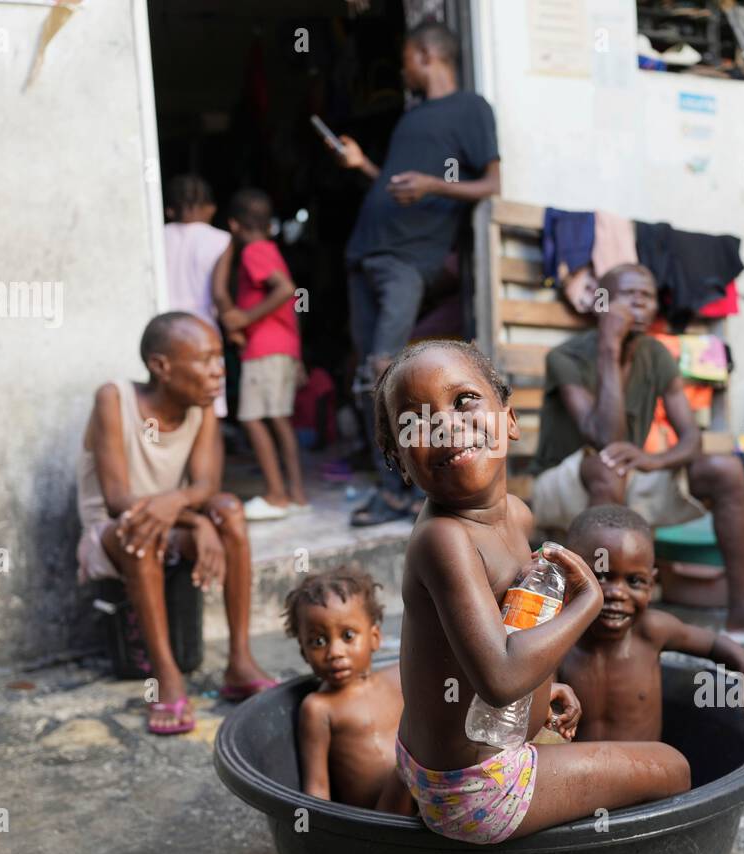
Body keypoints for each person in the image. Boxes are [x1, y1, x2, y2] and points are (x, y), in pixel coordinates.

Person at [373, 339, 690, 845]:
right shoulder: (444, 539)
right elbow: (499, 676)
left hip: (438, 759)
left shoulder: (518, 516)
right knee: (671, 767)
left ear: (511, 421)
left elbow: (515, 624)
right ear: (400, 463)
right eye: (415, 422)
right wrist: (586, 605)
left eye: (464, 401)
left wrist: (543, 693)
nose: (447, 426)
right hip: (475, 791)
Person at [531, 263, 744, 648]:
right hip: (561, 485)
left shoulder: (656, 354)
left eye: (647, 296)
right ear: (601, 305)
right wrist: (608, 348)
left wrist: (655, 461)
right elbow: (604, 436)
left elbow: (690, 441)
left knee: (724, 468)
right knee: (607, 465)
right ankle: (594, 623)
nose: (640, 304)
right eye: (628, 295)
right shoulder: (566, 356)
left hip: (627, 476)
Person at [330, 21, 501, 527]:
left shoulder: (470, 108)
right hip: (367, 252)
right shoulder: (413, 117)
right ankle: (395, 486)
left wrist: (434, 184)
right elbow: (393, 183)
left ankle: (405, 491)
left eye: (406, 57)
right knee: (369, 372)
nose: (402, 68)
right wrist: (363, 165)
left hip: (408, 260)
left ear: (425, 54)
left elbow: (492, 182)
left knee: (386, 369)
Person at [76, 313, 276, 734]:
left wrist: (189, 514)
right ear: (161, 366)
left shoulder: (202, 407)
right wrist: (190, 519)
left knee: (229, 512)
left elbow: (205, 485)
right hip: (115, 532)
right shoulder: (113, 399)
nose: (219, 370)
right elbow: (116, 501)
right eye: (205, 359)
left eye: (220, 357)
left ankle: (239, 661)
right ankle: (167, 677)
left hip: (172, 524)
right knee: (140, 531)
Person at [559, 506, 744, 742]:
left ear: (652, 583)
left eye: (634, 581)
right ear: (567, 574)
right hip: (572, 773)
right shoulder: (556, 639)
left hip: (641, 771)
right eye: (600, 577)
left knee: (676, 764)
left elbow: (714, 644)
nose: (617, 592)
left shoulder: (652, 631)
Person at [212, 189, 308, 521]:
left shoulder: (253, 251)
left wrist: (244, 318)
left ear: (234, 225)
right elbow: (292, 303)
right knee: (279, 420)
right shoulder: (269, 248)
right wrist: (297, 356)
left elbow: (285, 289)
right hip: (280, 347)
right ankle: (295, 494)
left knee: (252, 419)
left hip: (264, 349)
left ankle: (276, 495)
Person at [285, 567, 412, 813]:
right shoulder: (320, 708)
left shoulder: (397, 676)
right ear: (303, 652)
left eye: (348, 635)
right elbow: (317, 787)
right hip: (379, 819)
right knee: (409, 770)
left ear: (375, 637)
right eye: (318, 641)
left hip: (422, 801)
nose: (335, 652)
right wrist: (318, 835)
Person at [162, 175, 235, 418]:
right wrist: (235, 327)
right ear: (210, 208)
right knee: (208, 407)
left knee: (167, 401)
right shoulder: (221, 239)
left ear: (170, 210)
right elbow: (219, 293)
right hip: (203, 328)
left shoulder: (157, 235)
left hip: (164, 325)